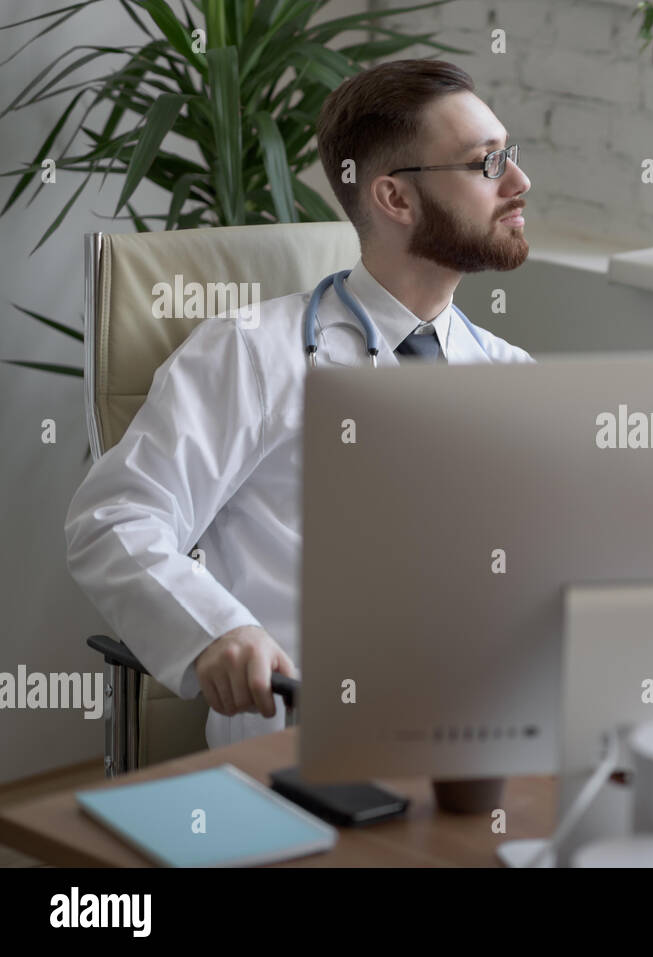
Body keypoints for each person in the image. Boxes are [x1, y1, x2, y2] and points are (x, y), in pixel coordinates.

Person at [65, 59, 534, 748]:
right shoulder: (253, 353)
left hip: (484, 735)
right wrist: (216, 629)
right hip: (303, 746)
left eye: (509, 156)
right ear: (395, 199)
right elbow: (114, 517)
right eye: (485, 163)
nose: (519, 183)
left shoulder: (511, 375)